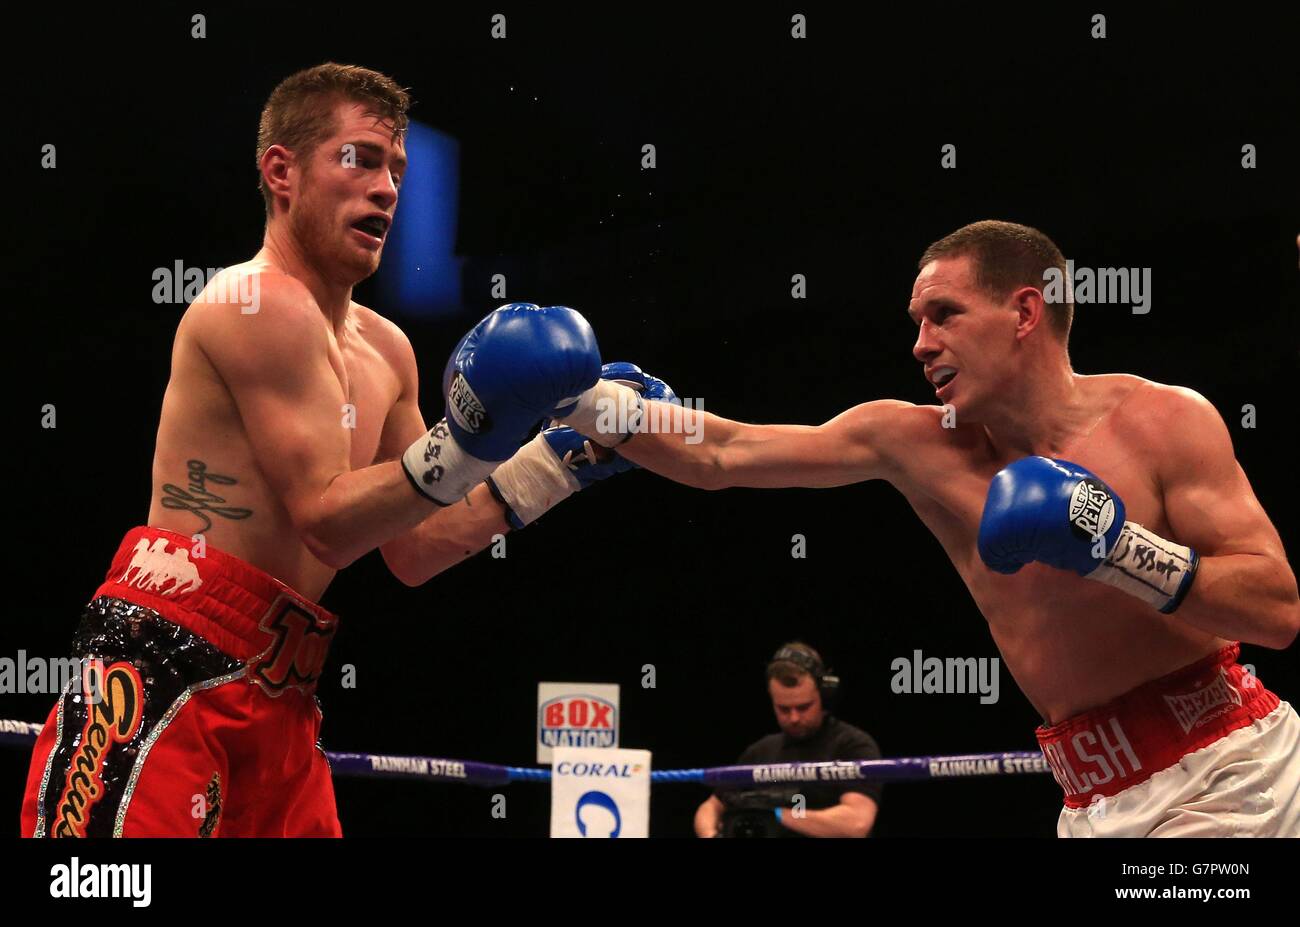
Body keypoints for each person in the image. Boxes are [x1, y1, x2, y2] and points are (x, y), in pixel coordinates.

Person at [21, 62, 665, 837]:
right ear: (281, 171)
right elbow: (324, 522)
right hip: (163, 663)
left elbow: (419, 544)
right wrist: (468, 437)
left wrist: (555, 462)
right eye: (360, 158)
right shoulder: (247, 303)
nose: (389, 187)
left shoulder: (386, 350)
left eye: (397, 168)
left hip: (283, 690)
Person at [558, 220, 1300, 837]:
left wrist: (1120, 549)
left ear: (1024, 312)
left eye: (944, 314)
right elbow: (726, 450)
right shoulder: (913, 442)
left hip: (1228, 774)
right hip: (1091, 801)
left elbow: (1277, 609)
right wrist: (576, 399)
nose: (920, 343)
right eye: (916, 322)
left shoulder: (1164, 421)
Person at [694, 643, 882, 838]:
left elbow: (857, 823)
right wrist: (711, 835)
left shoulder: (853, 745)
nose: (794, 718)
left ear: (824, 697)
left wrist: (777, 815)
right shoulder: (760, 751)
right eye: (783, 709)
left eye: (804, 707)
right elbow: (710, 807)